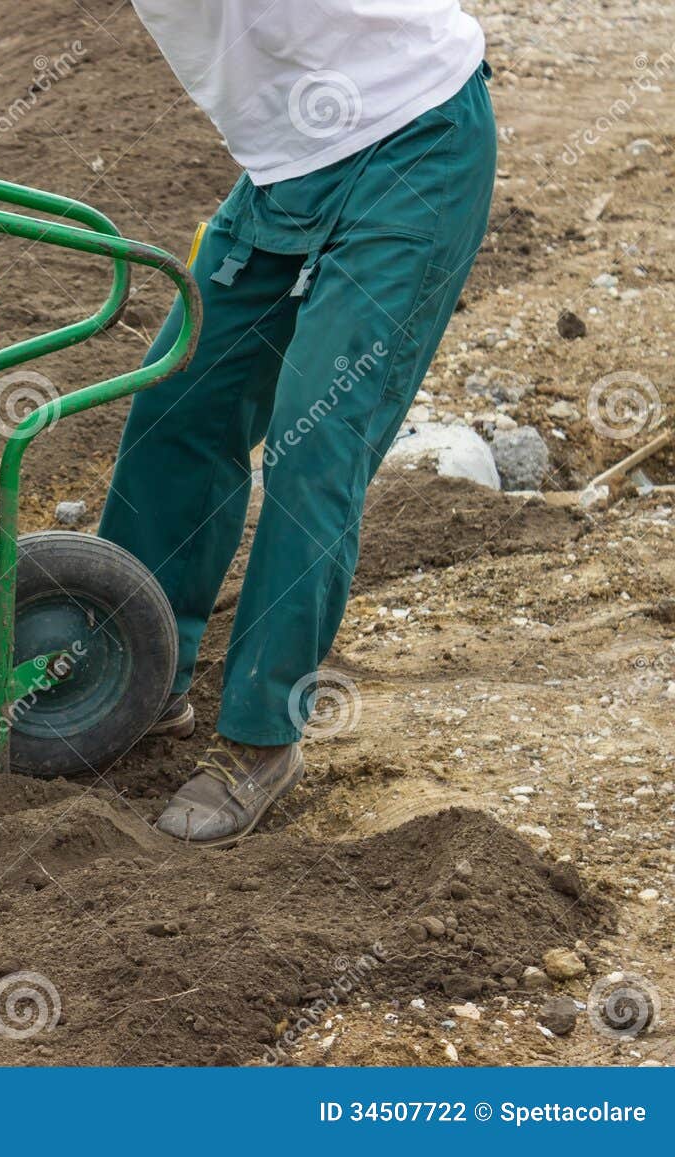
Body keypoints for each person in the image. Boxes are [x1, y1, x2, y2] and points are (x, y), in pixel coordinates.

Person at [100, 1, 496, 844]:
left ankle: (260, 737)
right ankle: (138, 669)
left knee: (316, 440)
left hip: (414, 134)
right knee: (180, 401)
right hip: (288, 166)